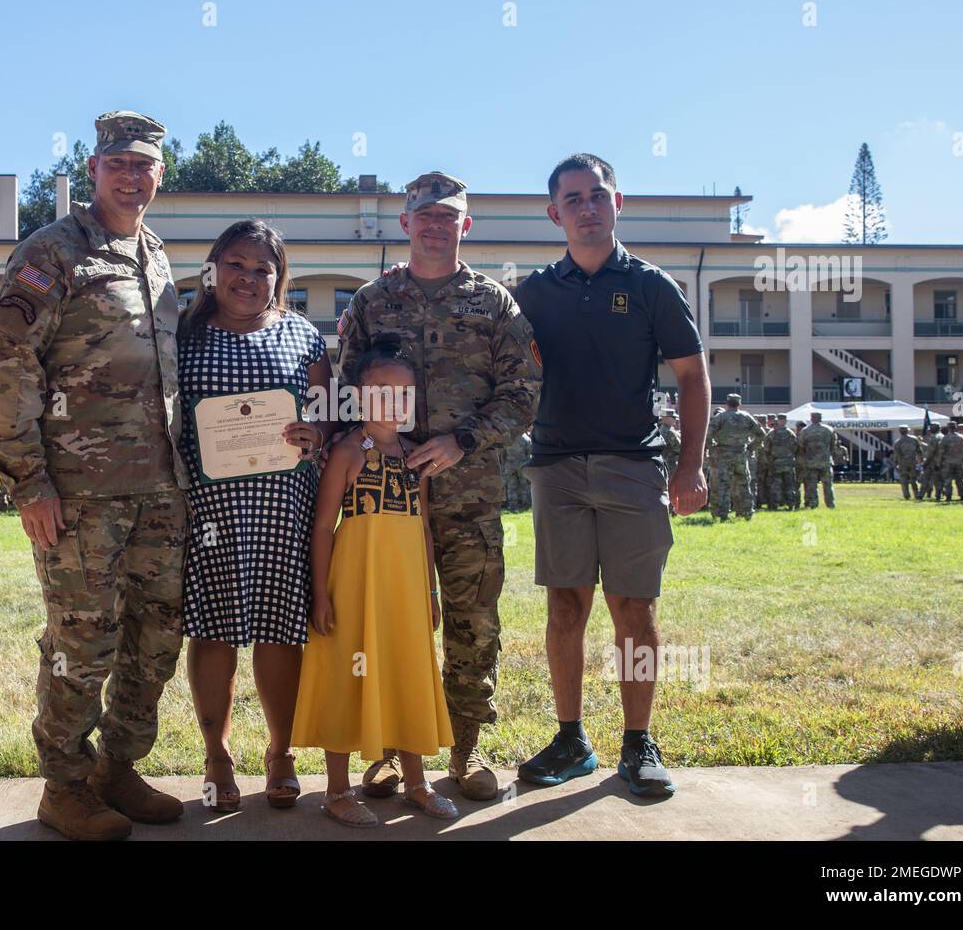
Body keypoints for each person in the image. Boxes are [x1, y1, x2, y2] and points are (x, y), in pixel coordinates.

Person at [0, 110, 189, 841]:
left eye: (145, 166)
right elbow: (10, 368)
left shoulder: (156, 255)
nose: (133, 177)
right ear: (94, 170)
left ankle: (119, 769)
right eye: (118, 164)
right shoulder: (52, 252)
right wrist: (28, 482)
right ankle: (64, 785)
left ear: (161, 174)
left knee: (157, 636)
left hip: (161, 490)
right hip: (78, 495)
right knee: (83, 641)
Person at [337, 171, 541, 802]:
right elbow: (346, 387)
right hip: (383, 494)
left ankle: (465, 747)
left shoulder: (494, 304)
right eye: (423, 215)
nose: (434, 225)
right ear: (406, 223)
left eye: (447, 216)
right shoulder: (373, 302)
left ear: (465, 225)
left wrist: (463, 441)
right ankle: (391, 750)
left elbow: (524, 391)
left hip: (467, 490)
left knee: (472, 617)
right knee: (388, 618)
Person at [513, 153, 708, 797]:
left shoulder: (653, 286)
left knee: (635, 607)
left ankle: (638, 741)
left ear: (617, 204)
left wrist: (690, 465)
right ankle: (571, 738)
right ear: (554, 214)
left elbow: (692, 376)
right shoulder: (533, 293)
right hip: (556, 467)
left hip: (633, 466)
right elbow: (478, 342)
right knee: (565, 606)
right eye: (573, 199)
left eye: (598, 196)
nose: (587, 207)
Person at [176, 219, 333, 813]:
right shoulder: (182, 334)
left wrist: (314, 432)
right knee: (213, 628)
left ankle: (281, 752)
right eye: (236, 264)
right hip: (208, 506)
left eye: (262, 268)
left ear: (279, 277)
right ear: (214, 270)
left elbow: (326, 416)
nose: (248, 277)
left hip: (283, 504)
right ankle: (216, 754)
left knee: (278, 627)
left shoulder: (303, 335)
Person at [292, 338, 457, 826]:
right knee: (347, 671)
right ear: (359, 397)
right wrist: (320, 593)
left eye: (403, 392)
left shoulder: (417, 455)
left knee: (408, 670)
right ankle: (338, 790)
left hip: (405, 587)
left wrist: (430, 592)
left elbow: (423, 527)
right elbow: (323, 527)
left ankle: (417, 782)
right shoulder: (344, 451)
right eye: (380, 390)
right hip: (355, 581)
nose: (392, 401)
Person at [706, 393, 764, 521]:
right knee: (744, 485)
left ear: (727, 403)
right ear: (739, 404)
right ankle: (746, 513)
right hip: (741, 455)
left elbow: (708, 435)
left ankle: (722, 515)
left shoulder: (721, 417)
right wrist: (750, 448)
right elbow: (761, 434)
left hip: (724, 454)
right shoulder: (747, 416)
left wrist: (713, 448)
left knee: (723, 485)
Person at [798, 412, 836, 508]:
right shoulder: (829, 430)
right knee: (828, 485)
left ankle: (813, 504)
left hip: (811, 462)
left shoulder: (805, 431)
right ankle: (830, 504)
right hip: (825, 461)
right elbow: (833, 445)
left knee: (812, 485)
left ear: (811, 419)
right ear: (820, 419)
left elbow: (801, 446)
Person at [765, 413, 799, 510]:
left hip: (776, 462)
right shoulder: (791, 433)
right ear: (785, 421)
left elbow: (766, 448)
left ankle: (774, 505)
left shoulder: (772, 433)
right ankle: (791, 504)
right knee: (789, 484)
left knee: (775, 484)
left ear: (778, 421)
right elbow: (795, 447)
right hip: (788, 462)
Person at [937, 423, 963, 503]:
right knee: (959, 480)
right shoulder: (961, 437)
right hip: (959, 461)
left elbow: (941, 451)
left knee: (948, 480)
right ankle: (962, 495)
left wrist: (939, 462)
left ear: (948, 428)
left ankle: (948, 495)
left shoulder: (945, 438)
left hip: (948, 462)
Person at [893, 426, 921, 500]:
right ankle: (916, 494)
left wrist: (895, 464)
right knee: (913, 479)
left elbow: (896, 454)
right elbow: (919, 451)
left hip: (903, 462)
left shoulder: (898, 442)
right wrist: (920, 461)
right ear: (908, 431)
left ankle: (906, 495)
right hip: (913, 462)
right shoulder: (914, 439)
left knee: (904, 480)